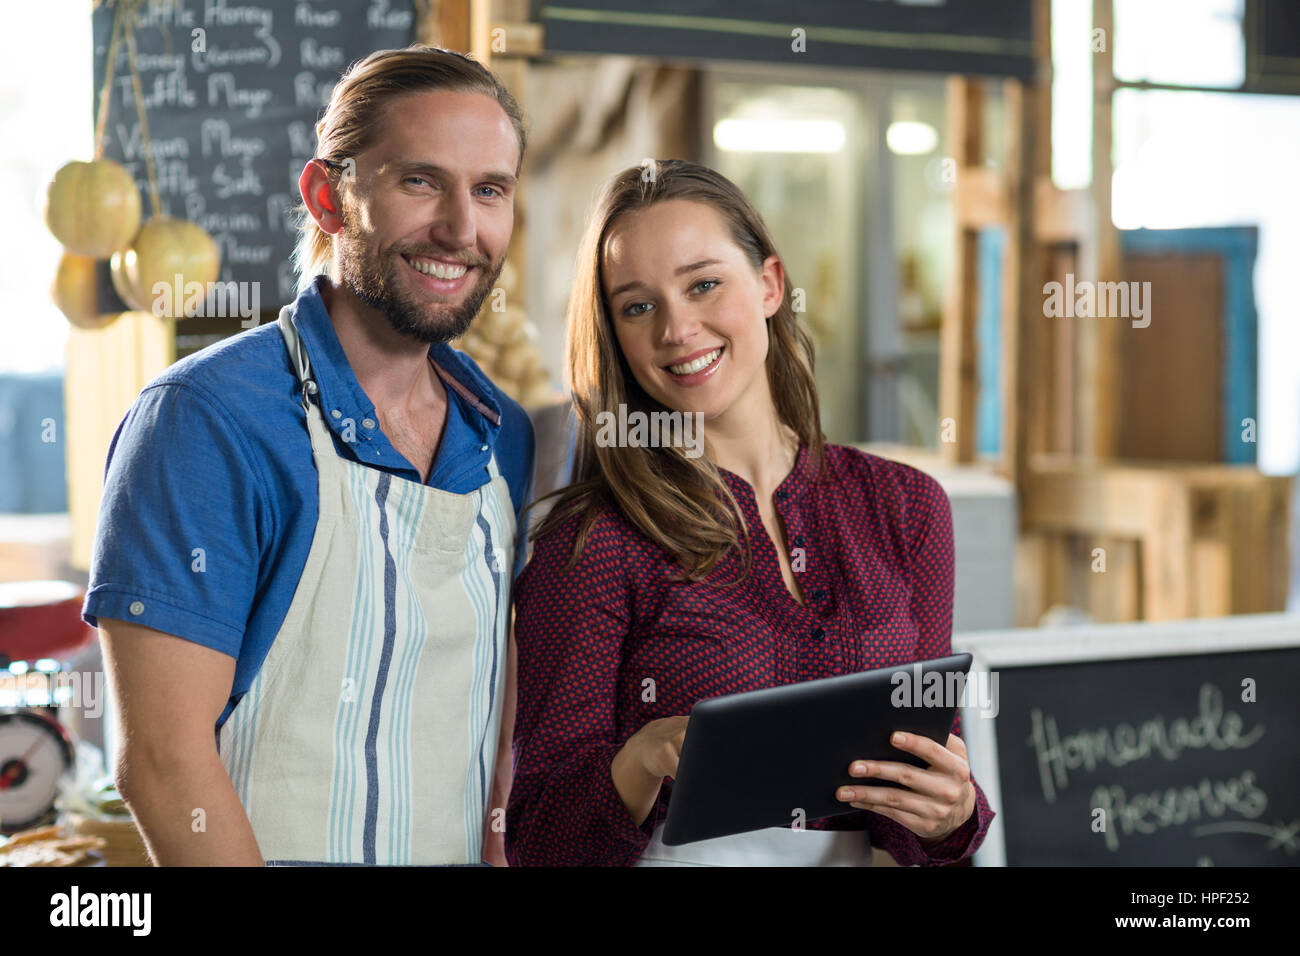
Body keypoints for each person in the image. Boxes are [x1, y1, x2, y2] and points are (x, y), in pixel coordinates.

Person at [85, 46, 534, 866]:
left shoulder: (502, 431)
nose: (461, 229)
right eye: (420, 181)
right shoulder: (204, 422)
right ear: (328, 197)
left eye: (490, 191)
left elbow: (496, 709)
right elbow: (162, 762)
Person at [504, 160, 994, 866]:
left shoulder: (905, 507)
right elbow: (541, 845)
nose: (677, 328)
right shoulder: (591, 544)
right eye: (638, 306)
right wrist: (642, 760)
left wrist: (950, 817)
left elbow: (917, 805)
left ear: (768, 284)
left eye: (704, 284)